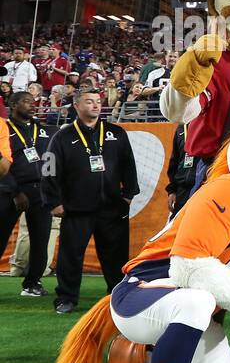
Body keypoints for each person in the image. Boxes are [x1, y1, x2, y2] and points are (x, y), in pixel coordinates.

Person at [41, 88, 138, 313]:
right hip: (76, 209)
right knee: (70, 255)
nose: (95, 105)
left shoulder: (116, 132)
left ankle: (117, 296)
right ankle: (66, 298)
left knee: (116, 256)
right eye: (89, 102)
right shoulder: (63, 136)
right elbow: (49, 169)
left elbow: (129, 165)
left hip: (112, 209)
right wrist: (53, 201)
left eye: (97, 101)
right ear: (76, 105)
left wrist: (128, 195)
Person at [0, 91, 54, 297]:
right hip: (9, 192)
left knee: (41, 240)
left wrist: (52, 187)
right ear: (13, 105)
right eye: (26, 101)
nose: (32, 105)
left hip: (40, 191)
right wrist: (15, 192)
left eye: (34, 102)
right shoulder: (4, 129)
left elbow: (50, 159)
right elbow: (2, 164)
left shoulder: (42, 130)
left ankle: (32, 283)